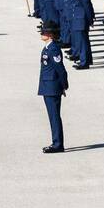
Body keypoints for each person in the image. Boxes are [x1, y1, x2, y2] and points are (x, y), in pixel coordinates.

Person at [37, 20, 69, 153]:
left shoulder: (54, 49)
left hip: (52, 87)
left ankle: (58, 144)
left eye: (44, 32)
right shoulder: (48, 48)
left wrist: (64, 86)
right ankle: (56, 141)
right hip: (47, 86)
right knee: (52, 116)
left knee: (54, 116)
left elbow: (60, 69)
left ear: (50, 35)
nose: (41, 34)